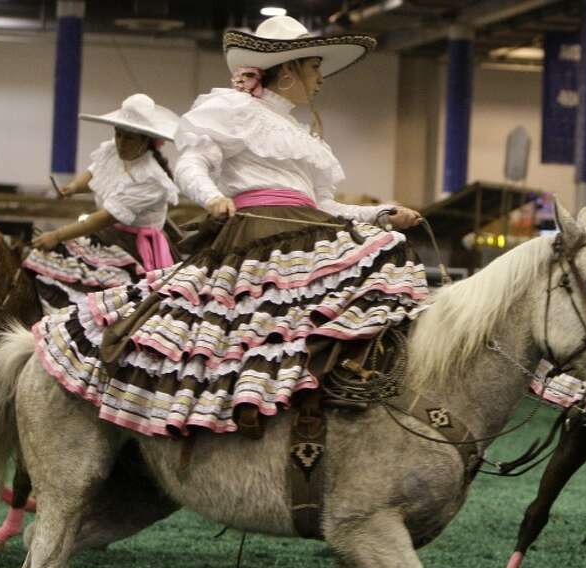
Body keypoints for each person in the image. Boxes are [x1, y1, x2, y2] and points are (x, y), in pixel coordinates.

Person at [34, 15, 427, 437]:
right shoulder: (234, 110)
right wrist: (210, 196)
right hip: (256, 237)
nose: (320, 79)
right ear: (288, 71)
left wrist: (380, 214)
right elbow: (191, 162)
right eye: (314, 68)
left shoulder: (303, 135)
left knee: (382, 250)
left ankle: (326, 406)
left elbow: (323, 205)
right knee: (245, 331)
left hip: (310, 231)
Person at [23, 94, 180, 310]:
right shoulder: (112, 151)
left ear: (146, 141)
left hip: (132, 246)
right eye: (118, 134)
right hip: (104, 235)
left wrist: (57, 235)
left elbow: (105, 218)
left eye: (129, 138)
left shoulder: (151, 179)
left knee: (110, 296)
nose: (121, 143)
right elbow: (96, 173)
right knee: (51, 259)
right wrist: (74, 187)